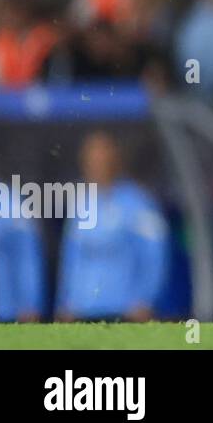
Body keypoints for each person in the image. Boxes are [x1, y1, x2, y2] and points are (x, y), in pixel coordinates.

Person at [56, 131, 168, 322]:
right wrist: (65, 302)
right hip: (83, 309)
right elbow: (72, 258)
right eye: (90, 159)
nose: (95, 165)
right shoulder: (82, 204)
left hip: (124, 309)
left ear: (114, 160)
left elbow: (154, 256)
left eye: (101, 159)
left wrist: (145, 299)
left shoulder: (138, 203)